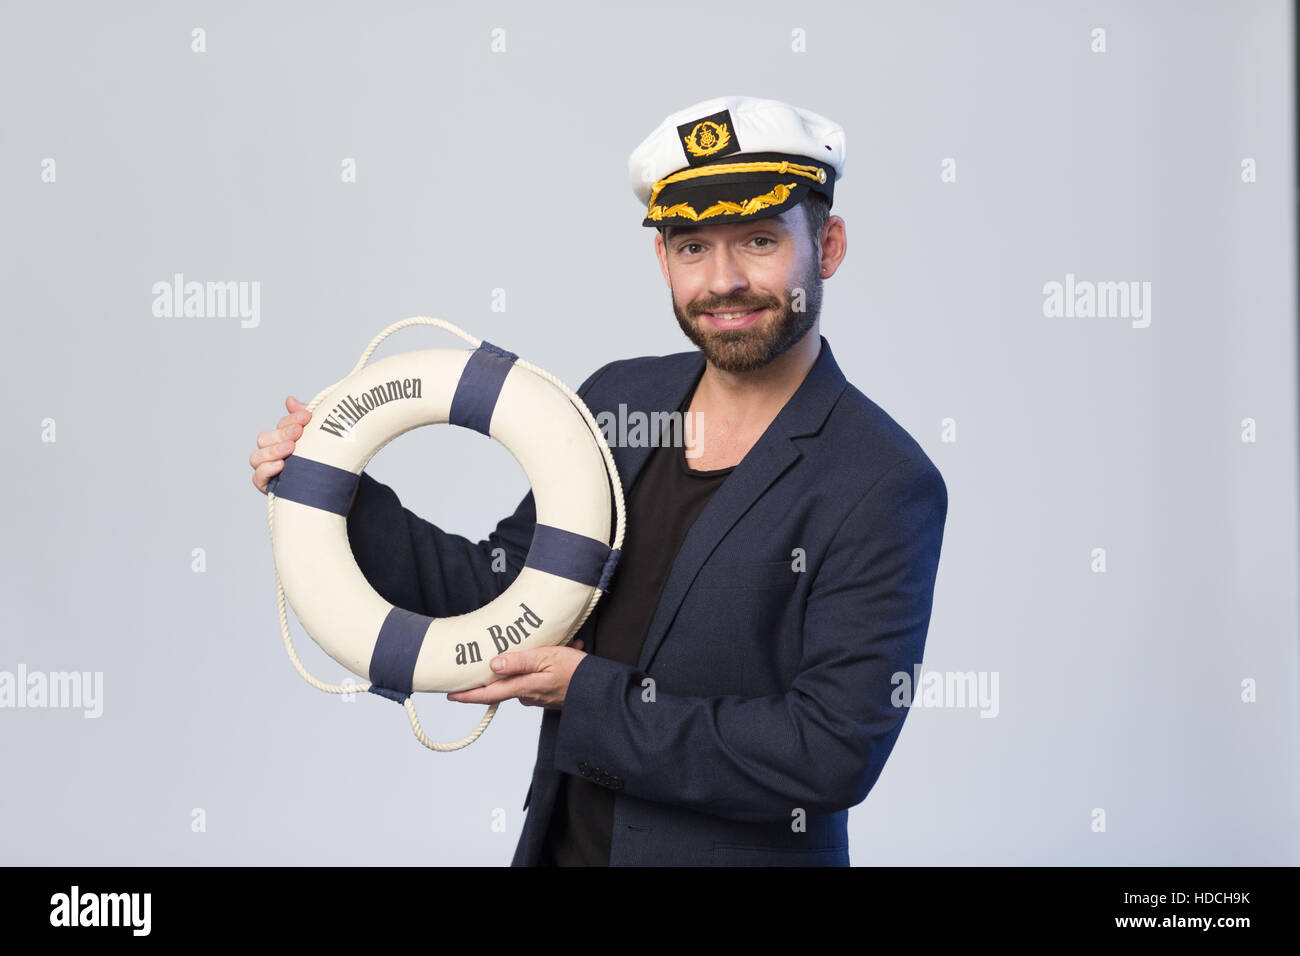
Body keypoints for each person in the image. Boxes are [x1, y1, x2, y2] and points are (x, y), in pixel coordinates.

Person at [249, 95, 948, 866]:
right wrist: (344, 497)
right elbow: (496, 587)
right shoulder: (622, 400)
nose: (723, 281)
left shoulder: (882, 479)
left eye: (757, 240)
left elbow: (828, 749)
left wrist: (589, 694)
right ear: (662, 261)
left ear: (830, 245)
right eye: (690, 247)